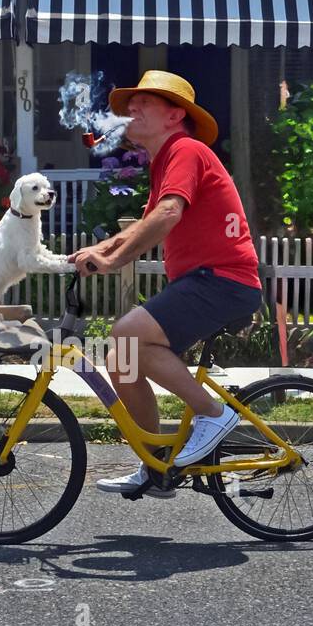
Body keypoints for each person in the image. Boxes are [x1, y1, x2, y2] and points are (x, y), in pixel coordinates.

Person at [68, 71, 262, 497]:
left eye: (145, 102)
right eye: (129, 104)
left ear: (176, 115)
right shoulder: (166, 160)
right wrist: (91, 252)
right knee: (122, 359)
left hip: (223, 281)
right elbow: (146, 222)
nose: (130, 109)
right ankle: (155, 468)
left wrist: (113, 259)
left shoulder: (185, 149)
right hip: (206, 283)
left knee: (126, 334)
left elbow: (167, 215)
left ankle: (212, 414)